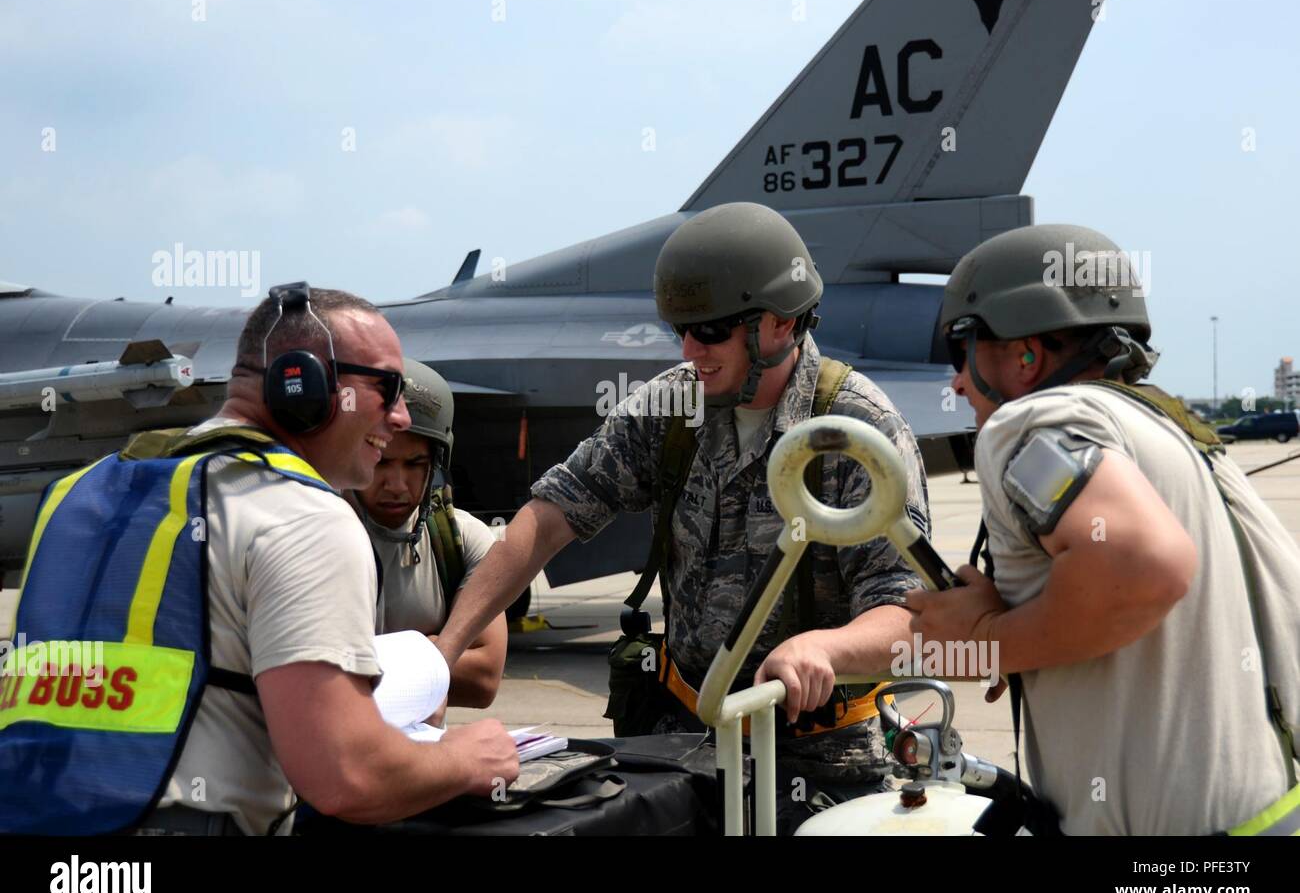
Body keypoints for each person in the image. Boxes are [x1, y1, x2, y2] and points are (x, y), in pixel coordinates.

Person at [435, 202, 931, 833]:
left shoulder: (855, 432)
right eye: (681, 330)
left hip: (816, 760)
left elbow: (908, 614)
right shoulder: (675, 407)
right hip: (681, 744)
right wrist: (447, 648)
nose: (691, 349)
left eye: (713, 330)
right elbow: (551, 515)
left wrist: (826, 648)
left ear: (780, 322)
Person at [0, 283, 517, 836]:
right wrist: (465, 759)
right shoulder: (302, 514)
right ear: (308, 386)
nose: (398, 417)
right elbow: (348, 776)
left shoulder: (73, 494)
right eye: (387, 389)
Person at [908, 224, 1300, 835]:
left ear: (1025, 355)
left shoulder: (1034, 424)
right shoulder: (1177, 434)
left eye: (961, 349)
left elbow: (1144, 565)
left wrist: (990, 638)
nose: (955, 381)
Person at [348, 359, 506, 719]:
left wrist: (359, 661)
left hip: (422, 760)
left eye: (414, 464)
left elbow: (484, 680)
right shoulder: (315, 534)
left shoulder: (461, 539)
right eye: (382, 463)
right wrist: (430, 653)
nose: (397, 485)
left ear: (435, 464)